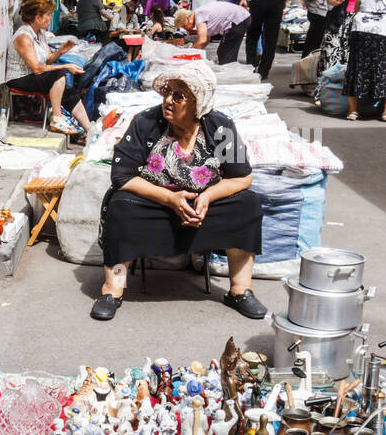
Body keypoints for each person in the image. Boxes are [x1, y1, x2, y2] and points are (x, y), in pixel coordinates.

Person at [91, 62, 265, 322]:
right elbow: (122, 176)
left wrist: (207, 196)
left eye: (179, 95)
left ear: (199, 102)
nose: (168, 100)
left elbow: (242, 177)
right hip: (155, 202)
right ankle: (112, 289)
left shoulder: (220, 127)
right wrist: (170, 198)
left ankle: (240, 290)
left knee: (247, 205)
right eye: (167, 93)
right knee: (121, 207)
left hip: (201, 206)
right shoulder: (146, 122)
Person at [4, 0, 92, 137]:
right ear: (38, 18)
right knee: (58, 74)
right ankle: (57, 119)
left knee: (70, 92)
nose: (50, 18)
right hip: (19, 78)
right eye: (48, 15)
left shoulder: (40, 34)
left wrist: (62, 51)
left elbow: (49, 60)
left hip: (34, 76)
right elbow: (37, 68)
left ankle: (91, 132)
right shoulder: (23, 37)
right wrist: (65, 66)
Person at [173, 1, 252, 64]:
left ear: (188, 18)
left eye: (184, 26)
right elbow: (206, 39)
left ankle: (229, 76)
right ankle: (228, 71)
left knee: (226, 54)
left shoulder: (199, 15)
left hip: (238, 19)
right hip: (240, 18)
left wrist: (187, 55)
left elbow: (202, 40)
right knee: (223, 52)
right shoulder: (199, 14)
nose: (185, 29)